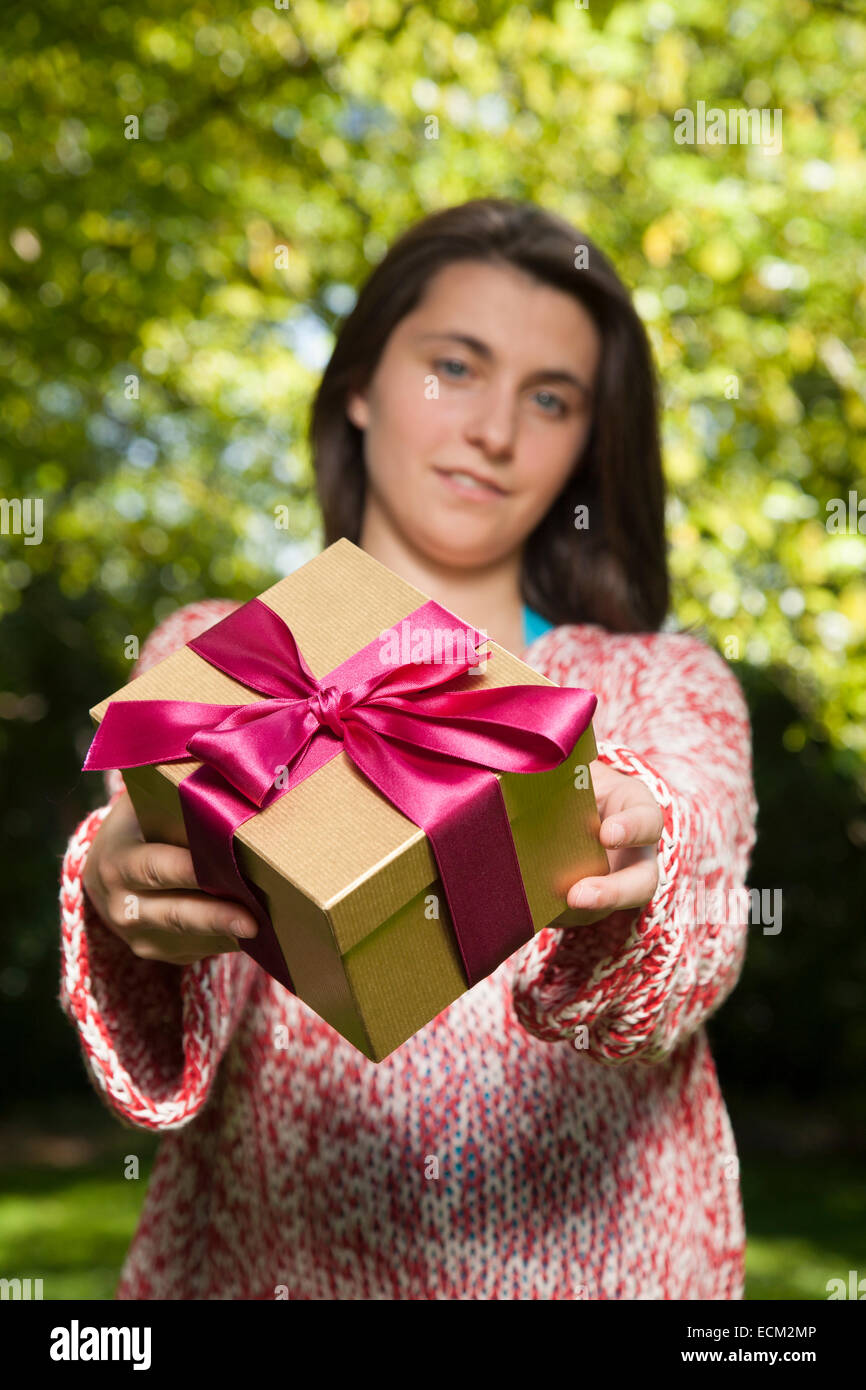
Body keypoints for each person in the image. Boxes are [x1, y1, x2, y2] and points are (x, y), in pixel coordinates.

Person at [59, 198, 758, 1300]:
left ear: (585, 441)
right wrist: (120, 897)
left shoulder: (657, 686)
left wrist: (643, 868)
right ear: (356, 384)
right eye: (454, 366)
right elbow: (184, 1022)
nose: (495, 430)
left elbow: (699, 925)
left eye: (550, 397)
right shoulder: (218, 657)